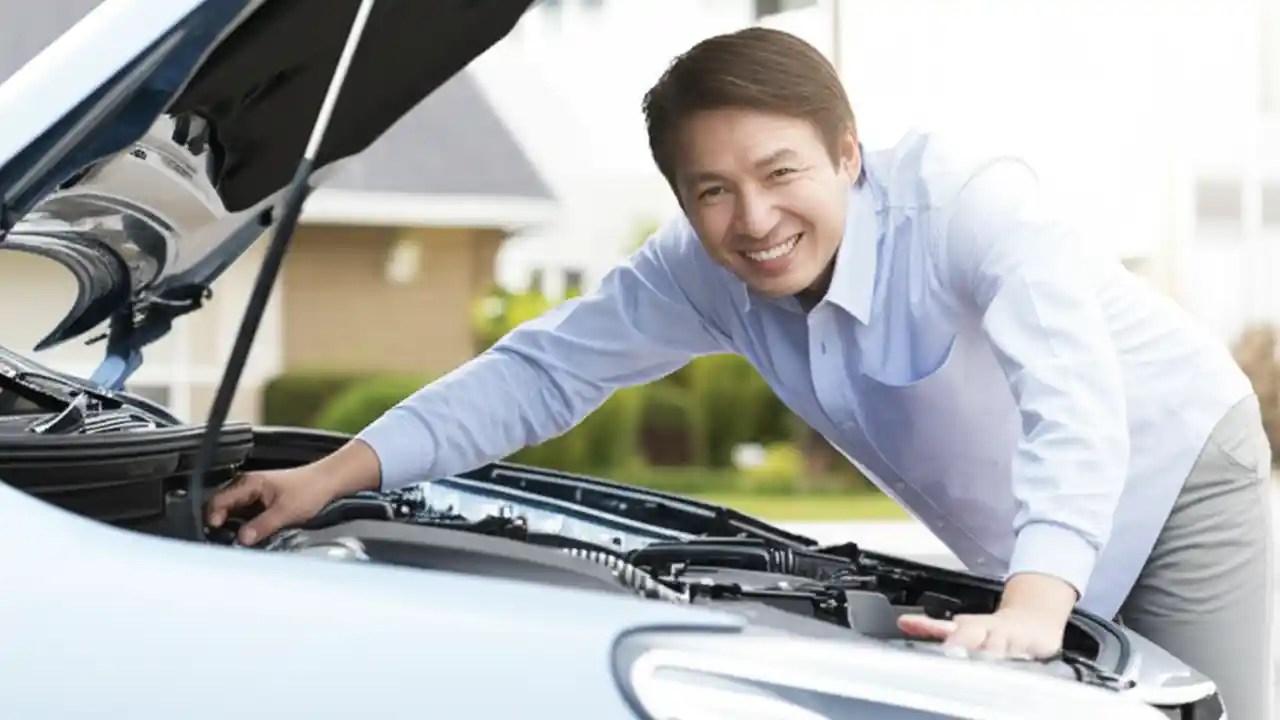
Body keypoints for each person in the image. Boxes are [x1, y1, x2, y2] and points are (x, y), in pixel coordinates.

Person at [207, 27, 1274, 717]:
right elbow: (534, 375)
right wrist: (333, 475)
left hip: (1176, 471)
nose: (753, 220)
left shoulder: (967, 205)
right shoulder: (698, 274)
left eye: (779, 172)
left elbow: (1071, 392)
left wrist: (1039, 599)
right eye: (709, 190)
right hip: (1032, 535)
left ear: (846, 153)